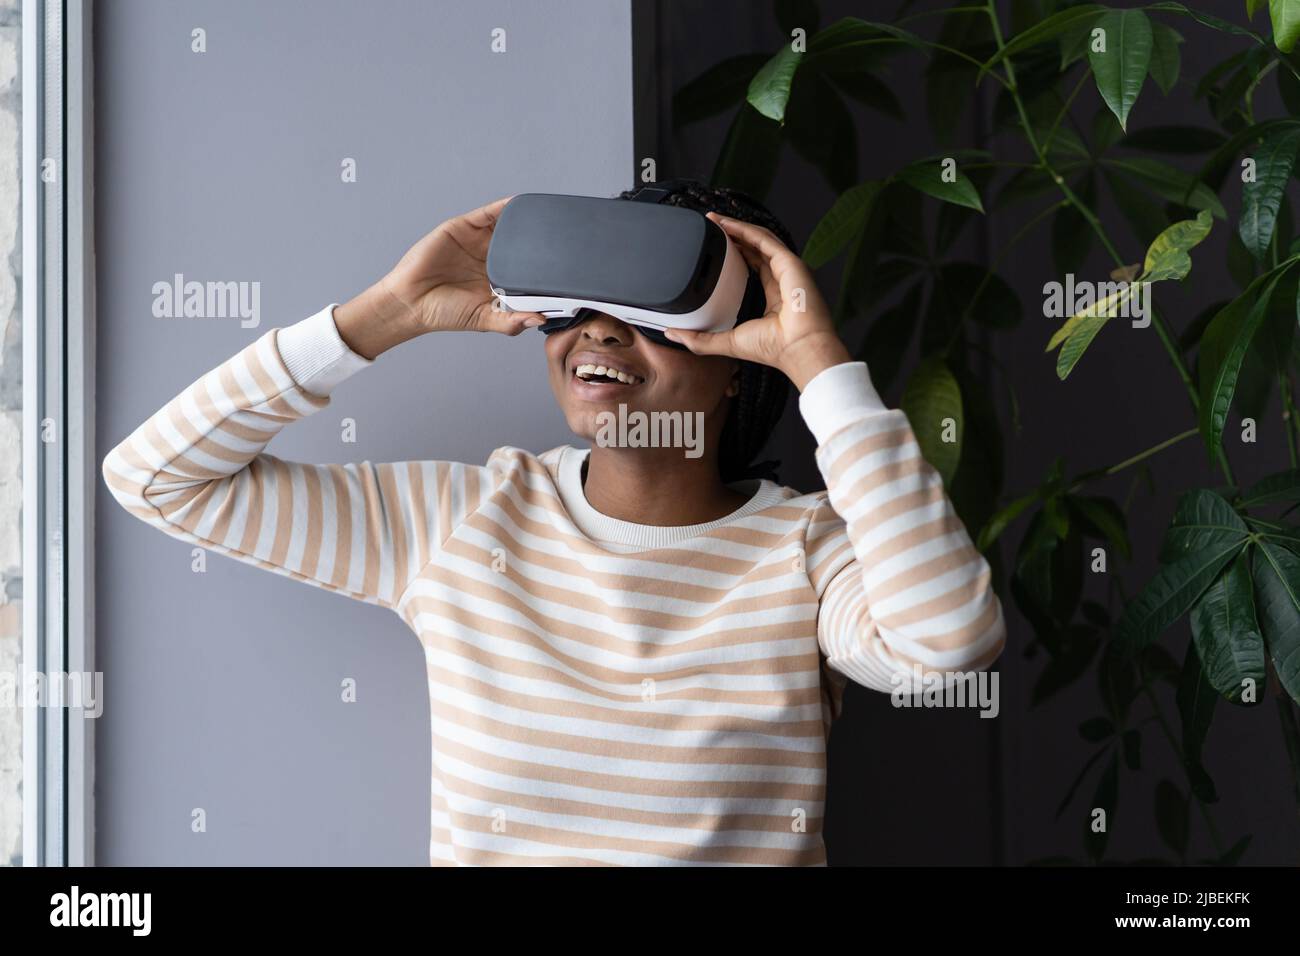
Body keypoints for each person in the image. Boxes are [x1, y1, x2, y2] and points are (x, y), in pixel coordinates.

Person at [102, 179, 1006, 866]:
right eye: (581, 304)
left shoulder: (808, 557)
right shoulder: (458, 521)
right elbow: (156, 478)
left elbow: (949, 645)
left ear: (740, 356)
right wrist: (383, 315)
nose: (604, 333)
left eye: (655, 313)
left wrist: (819, 364)